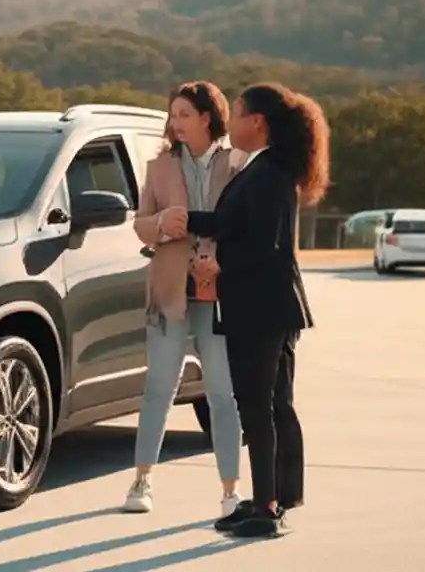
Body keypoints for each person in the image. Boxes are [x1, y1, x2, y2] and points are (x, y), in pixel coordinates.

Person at [158, 82, 329, 539]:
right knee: (272, 405)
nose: (229, 122)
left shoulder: (270, 173)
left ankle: (267, 507)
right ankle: (275, 496)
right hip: (269, 306)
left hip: (262, 309)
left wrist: (219, 262)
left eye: (235, 114)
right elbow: (236, 224)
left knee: (258, 407)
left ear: (257, 122)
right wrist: (189, 219)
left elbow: (261, 244)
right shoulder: (265, 168)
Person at [124, 81, 245, 518]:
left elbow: (245, 226)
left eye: (184, 115)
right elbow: (139, 225)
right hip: (169, 290)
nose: (175, 124)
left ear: (207, 118)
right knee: (158, 388)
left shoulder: (235, 165)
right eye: (172, 115)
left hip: (217, 293)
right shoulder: (158, 168)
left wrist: (222, 262)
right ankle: (141, 481)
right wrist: (160, 222)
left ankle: (231, 491)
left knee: (222, 394)